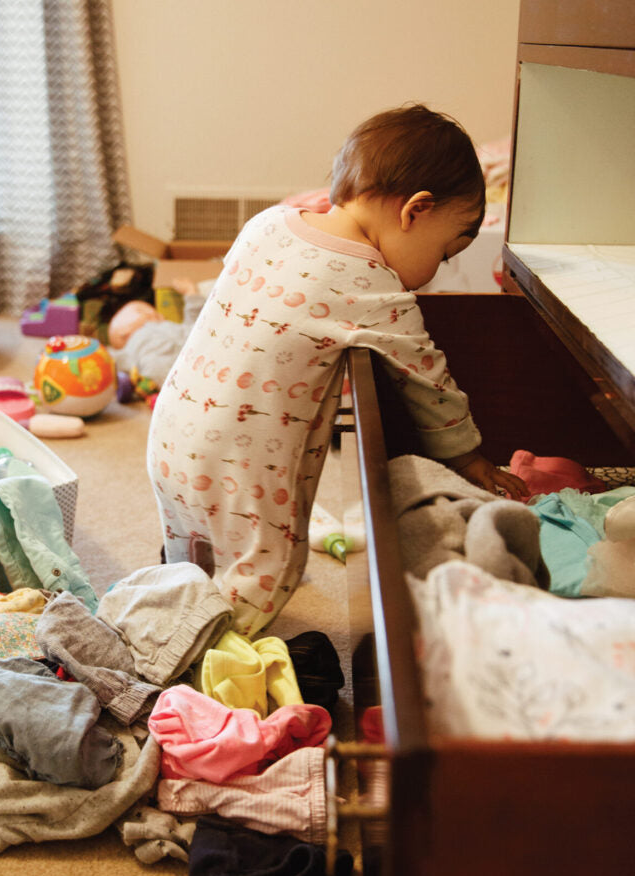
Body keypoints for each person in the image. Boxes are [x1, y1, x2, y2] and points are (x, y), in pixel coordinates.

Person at [146, 103, 528, 638]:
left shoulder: (268, 223)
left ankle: (171, 602)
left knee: (193, 550)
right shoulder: (369, 282)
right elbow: (430, 383)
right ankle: (203, 653)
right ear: (414, 211)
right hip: (242, 463)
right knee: (268, 569)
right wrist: (469, 457)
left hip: (172, 434)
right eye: (444, 253)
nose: (434, 274)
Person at [108, 278, 205, 388]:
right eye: (140, 311)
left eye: (153, 310)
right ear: (123, 332)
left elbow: (197, 322)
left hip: (202, 353)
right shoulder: (130, 349)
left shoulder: (170, 326)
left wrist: (191, 293)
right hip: (173, 381)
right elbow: (108, 360)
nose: (151, 311)